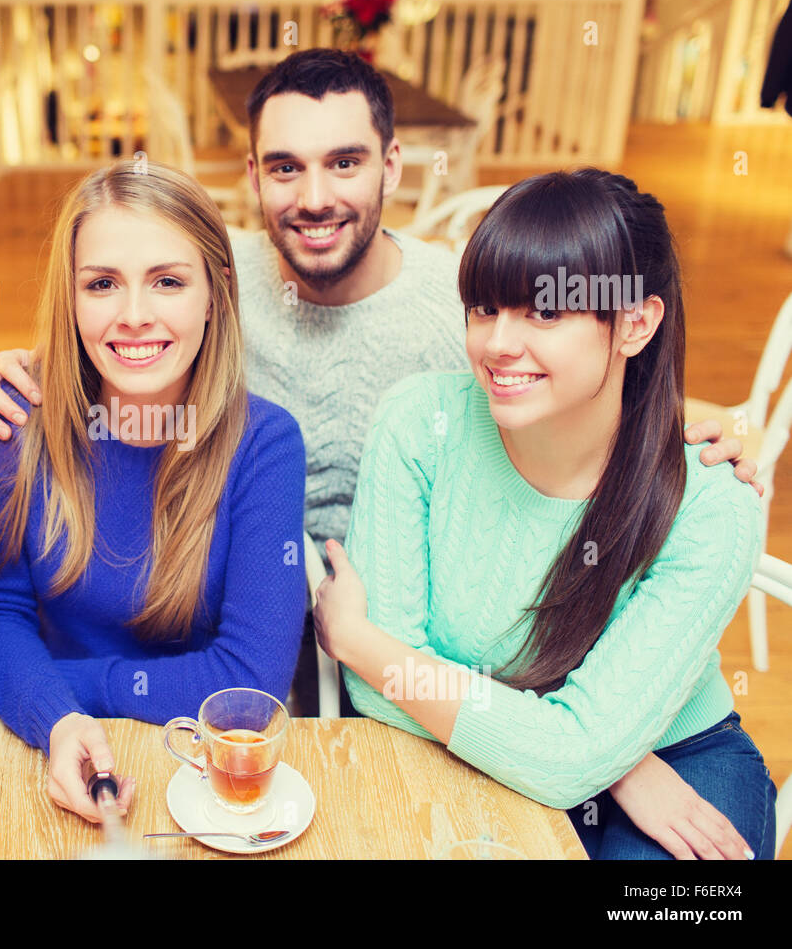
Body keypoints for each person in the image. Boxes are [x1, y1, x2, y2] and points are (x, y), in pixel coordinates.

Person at [0, 49, 760, 715]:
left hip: (398, 630)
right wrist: (12, 370)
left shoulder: (466, 306)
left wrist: (680, 414)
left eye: (344, 163)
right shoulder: (208, 269)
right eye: (285, 168)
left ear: (393, 165)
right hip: (251, 604)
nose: (314, 198)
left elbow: (560, 360)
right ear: (251, 177)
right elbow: (115, 306)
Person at [312, 169, 778, 860]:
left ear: (635, 324)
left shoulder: (712, 502)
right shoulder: (419, 423)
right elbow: (380, 693)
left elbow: (385, 663)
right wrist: (590, 754)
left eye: (545, 313)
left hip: (675, 756)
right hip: (521, 749)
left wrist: (360, 640)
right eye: (484, 309)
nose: (499, 344)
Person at [0, 160, 307, 824]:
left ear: (214, 295)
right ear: (71, 299)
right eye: (102, 284)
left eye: (167, 281)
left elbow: (248, 686)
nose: (134, 316)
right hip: (50, 750)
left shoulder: (267, 446)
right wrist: (56, 719)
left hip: (202, 766)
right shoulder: (18, 417)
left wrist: (51, 687)